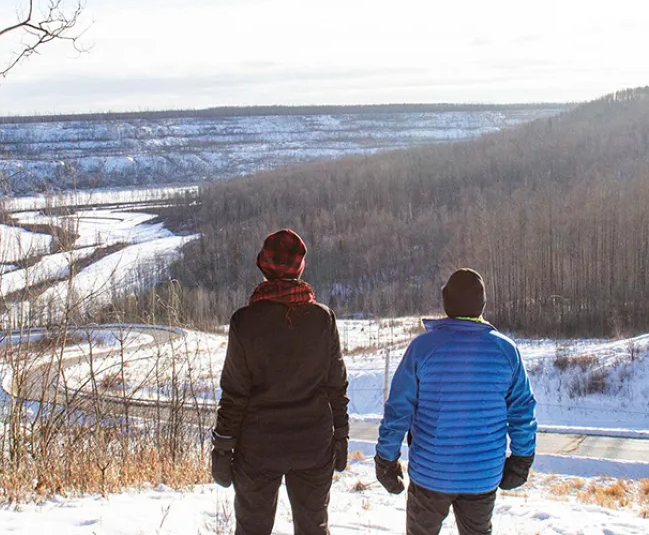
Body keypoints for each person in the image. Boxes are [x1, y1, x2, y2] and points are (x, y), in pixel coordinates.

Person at [374, 268, 537, 535]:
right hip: (483, 475)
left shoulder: (423, 348)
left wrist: (386, 459)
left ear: (446, 302)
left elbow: (398, 410)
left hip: (430, 473)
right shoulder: (506, 350)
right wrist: (521, 458)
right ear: (482, 304)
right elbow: (522, 411)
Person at [211, 229, 350, 535]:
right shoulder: (323, 319)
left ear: (263, 266)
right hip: (313, 445)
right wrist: (341, 436)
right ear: (300, 268)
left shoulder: (244, 321)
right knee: (314, 529)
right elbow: (336, 386)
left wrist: (222, 448)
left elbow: (234, 393)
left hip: (258, 447)